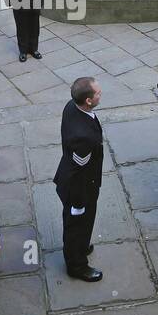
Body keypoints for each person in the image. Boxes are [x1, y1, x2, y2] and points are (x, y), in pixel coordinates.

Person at [54, 77, 105, 282]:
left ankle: (82, 246)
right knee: (77, 225)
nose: (101, 94)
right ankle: (76, 265)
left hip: (81, 181)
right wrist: (77, 202)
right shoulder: (84, 137)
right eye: (98, 93)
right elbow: (77, 171)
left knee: (84, 224)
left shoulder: (72, 106)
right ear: (89, 101)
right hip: (80, 188)